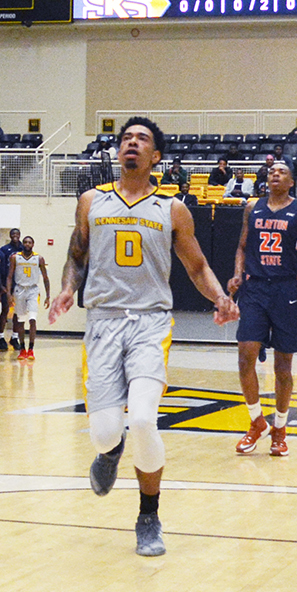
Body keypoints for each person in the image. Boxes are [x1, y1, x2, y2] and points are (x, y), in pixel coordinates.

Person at [46, 118, 240, 557]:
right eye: (126, 138)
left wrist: (220, 299)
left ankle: (148, 515)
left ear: (155, 157)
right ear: (119, 152)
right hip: (102, 323)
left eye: (142, 139)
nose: (132, 143)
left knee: (147, 420)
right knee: (103, 433)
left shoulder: (172, 209)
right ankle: (110, 451)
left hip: (151, 323)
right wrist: (66, 289)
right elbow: (77, 256)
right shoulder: (90, 201)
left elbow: (196, 266)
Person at [230, 161, 297, 457]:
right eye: (272, 171)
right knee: (245, 356)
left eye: (281, 171)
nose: (275, 174)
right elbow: (242, 247)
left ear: (291, 181)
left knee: (283, 366)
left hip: (286, 289)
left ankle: (280, 428)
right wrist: (237, 273)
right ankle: (257, 422)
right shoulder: (252, 207)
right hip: (255, 288)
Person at [7, 235, 47, 361]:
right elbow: (9, 277)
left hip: (33, 290)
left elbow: (45, 277)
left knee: (32, 319)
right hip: (19, 290)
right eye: (25, 242)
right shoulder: (15, 257)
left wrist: (48, 295)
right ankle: (22, 349)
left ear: (33, 244)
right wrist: (9, 294)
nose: (27, 244)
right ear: (22, 244)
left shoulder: (38, 258)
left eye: (30, 242)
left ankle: (31, 349)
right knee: (20, 320)